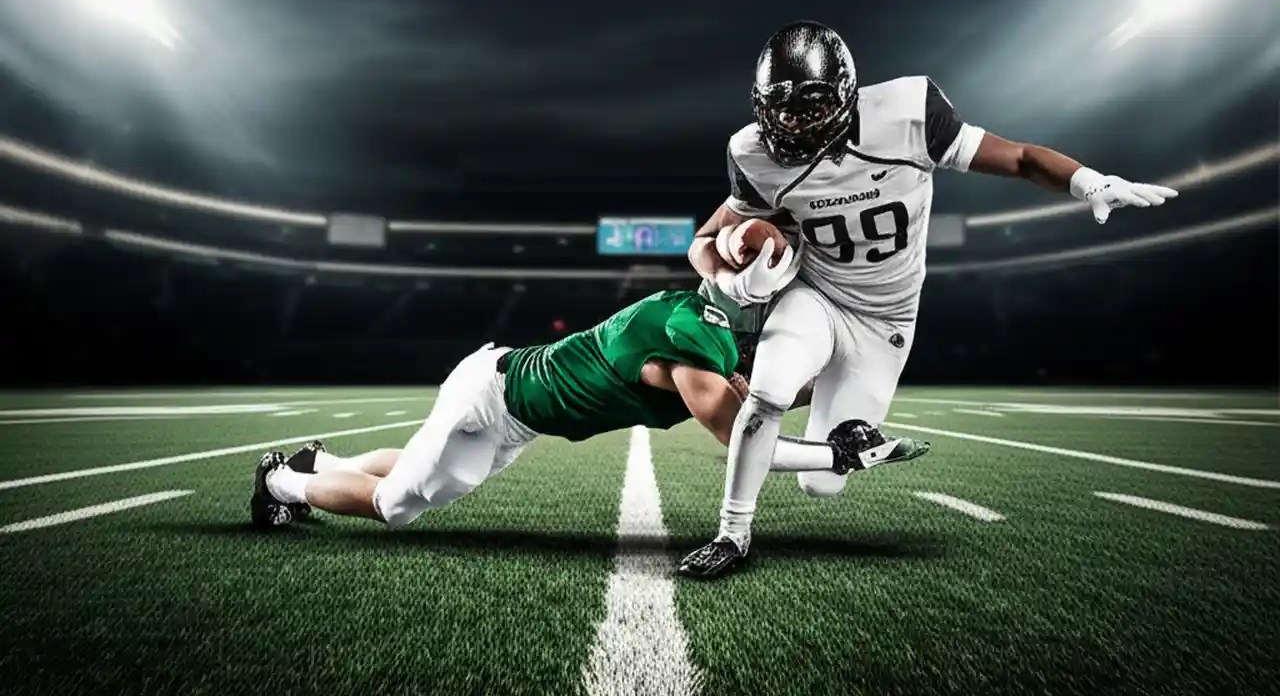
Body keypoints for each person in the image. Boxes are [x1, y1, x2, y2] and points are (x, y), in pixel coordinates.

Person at [680, 21, 1179, 578]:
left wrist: (1086, 181)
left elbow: (1015, 157)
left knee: (819, 483)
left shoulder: (909, 113)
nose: (795, 123)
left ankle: (834, 420)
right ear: (761, 104)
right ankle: (733, 532)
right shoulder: (752, 153)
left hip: (886, 316)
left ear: (845, 96)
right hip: (818, 294)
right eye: (783, 108)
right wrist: (735, 282)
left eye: (812, 107)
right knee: (767, 391)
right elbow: (708, 242)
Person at [250, 289, 929, 530]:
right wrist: (832, 454)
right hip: (492, 394)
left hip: (516, 411)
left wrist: (838, 385)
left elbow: (752, 395)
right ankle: (283, 480)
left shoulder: (699, 331)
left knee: (426, 484)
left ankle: (321, 462)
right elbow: (741, 437)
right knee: (396, 505)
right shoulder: (697, 350)